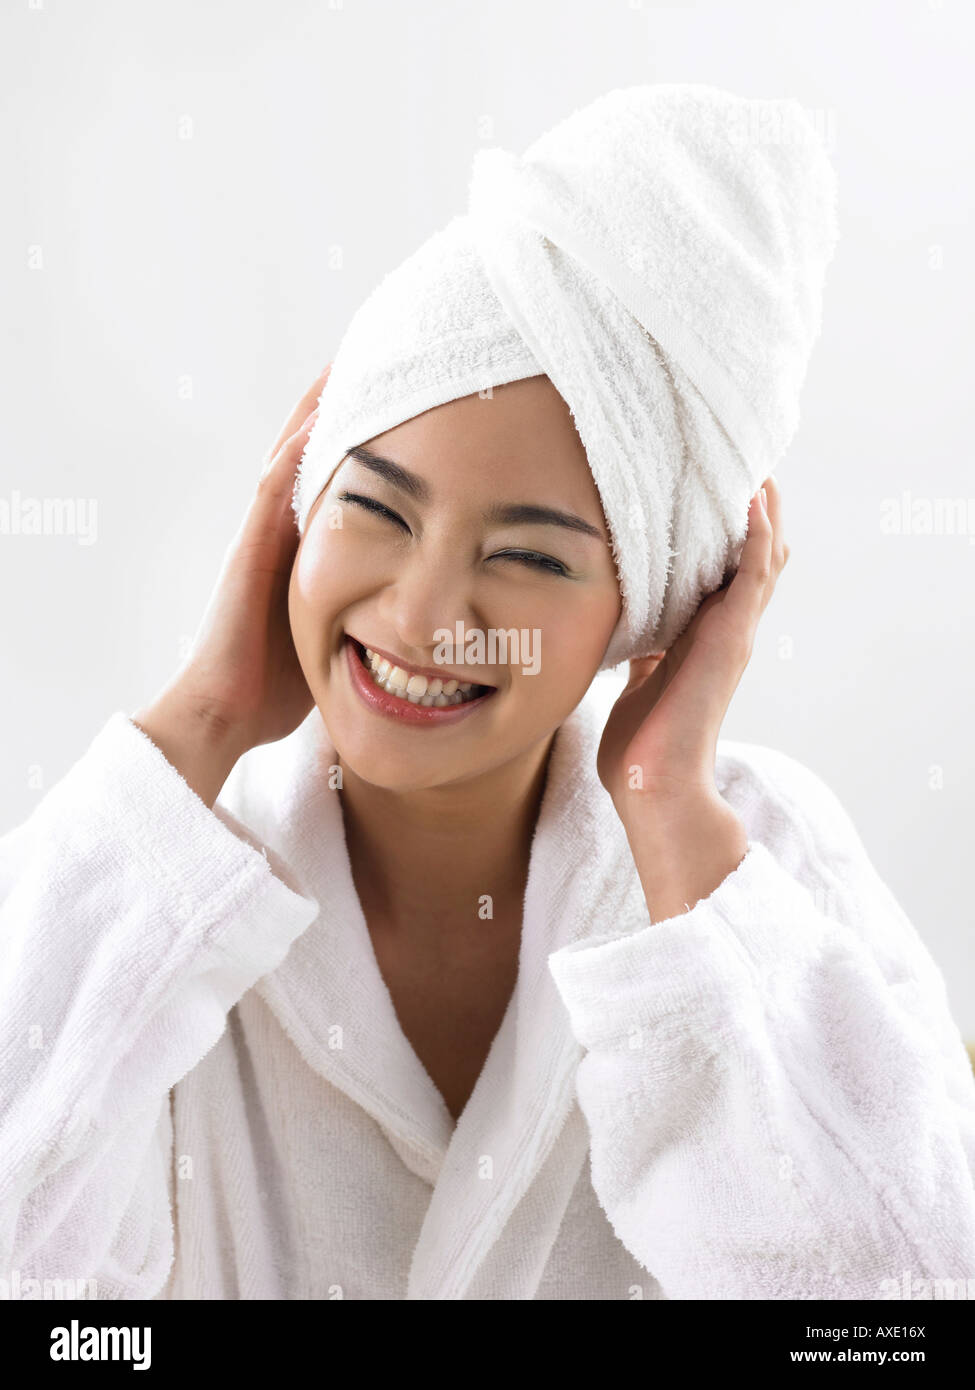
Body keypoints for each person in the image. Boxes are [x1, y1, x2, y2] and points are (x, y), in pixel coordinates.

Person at [2, 363, 974, 1302]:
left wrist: (673, 823)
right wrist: (203, 717)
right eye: (376, 510)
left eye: (530, 555)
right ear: (291, 526)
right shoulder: (147, 894)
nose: (424, 615)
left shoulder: (758, 851)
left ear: (650, 613)